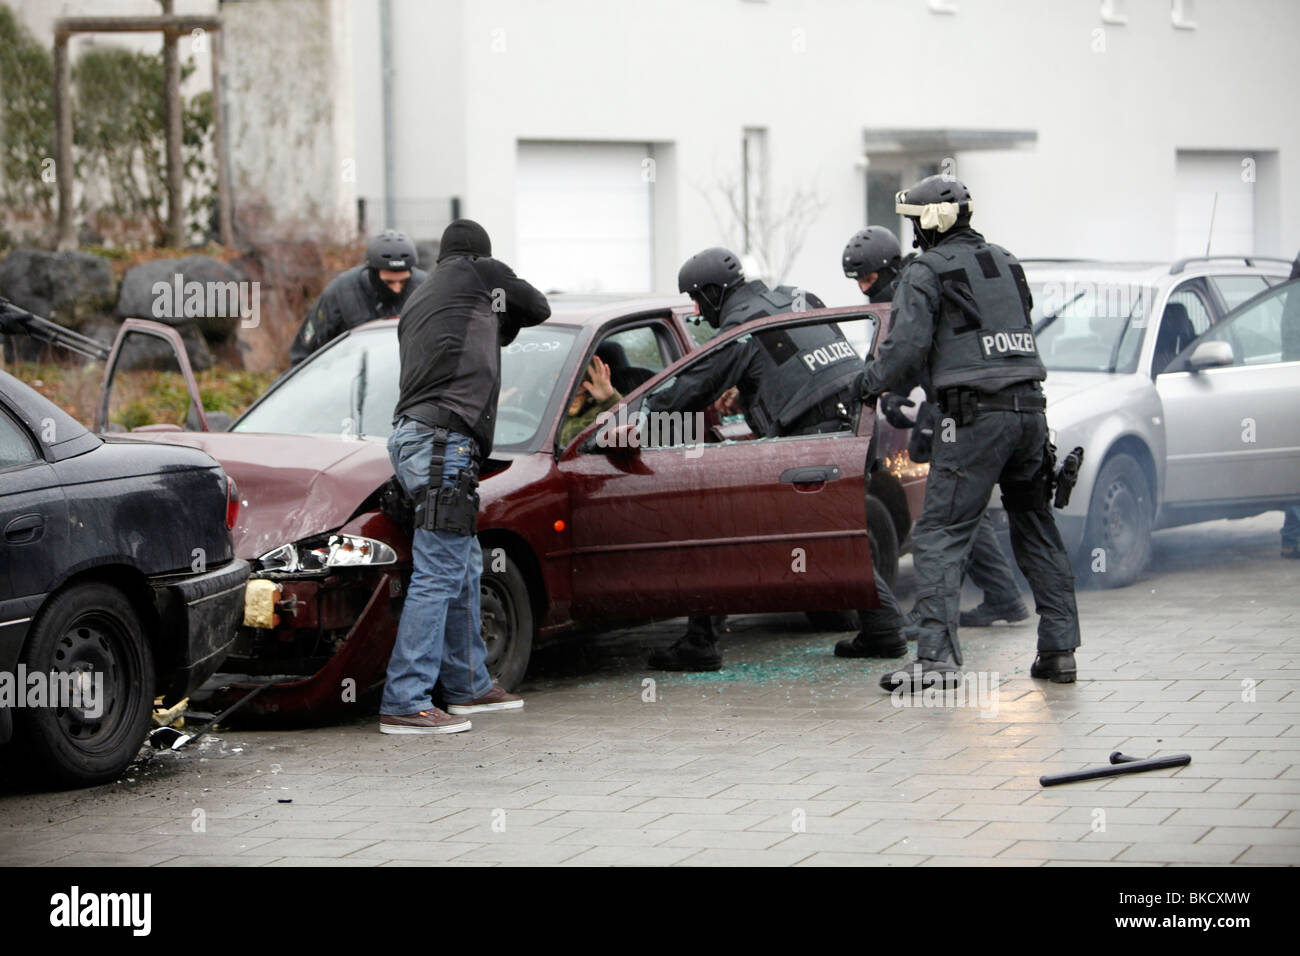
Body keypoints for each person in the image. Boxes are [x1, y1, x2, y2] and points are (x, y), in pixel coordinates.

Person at [859, 175, 1082, 690]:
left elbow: (905, 353)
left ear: (933, 222)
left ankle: (935, 660)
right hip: (1030, 412)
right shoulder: (1006, 262)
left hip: (973, 419)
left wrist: (865, 384)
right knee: (1035, 528)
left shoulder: (925, 270)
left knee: (940, 533)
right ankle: (1059, 651)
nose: (913, 233)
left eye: (916, 222)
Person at [643, 247, 861, 671]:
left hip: (805, 447)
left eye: (696, 299)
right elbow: (796, 364)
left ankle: (701, 644)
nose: (697, 310)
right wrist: (748, 391)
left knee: (726, 533)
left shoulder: (742, 326)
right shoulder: (799, 297)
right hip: (850, 431)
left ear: (711, 293)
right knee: (842, 538)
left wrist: (639, 413)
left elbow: (692, 387)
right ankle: (881, 626)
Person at [380, 219, 550, 733]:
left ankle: (470, 685)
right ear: (479, 256)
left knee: (463, 562)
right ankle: (405, 700)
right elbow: (537, 305)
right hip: (442, 444)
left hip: (415, 440)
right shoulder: (479, 273)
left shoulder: (421, 295)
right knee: (439, 571)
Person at [837, 227, 1027, 658]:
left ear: (884, 268)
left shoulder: (917, 283)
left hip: (959, 410)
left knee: (938, 520)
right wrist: (898, 393)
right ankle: (1005, 597)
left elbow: (910, 349)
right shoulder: (917, 281)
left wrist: (877, 388)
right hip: (964, 406)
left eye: (866, 279)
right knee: (965, 510)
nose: (864, 289)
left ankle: (931, 622)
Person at [289, 230, 428, 365]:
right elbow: (303, 354)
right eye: (389, 282)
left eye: (403, 282)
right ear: (373, 273)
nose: (397, 288)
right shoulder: (340, 293)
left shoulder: (425, 289)